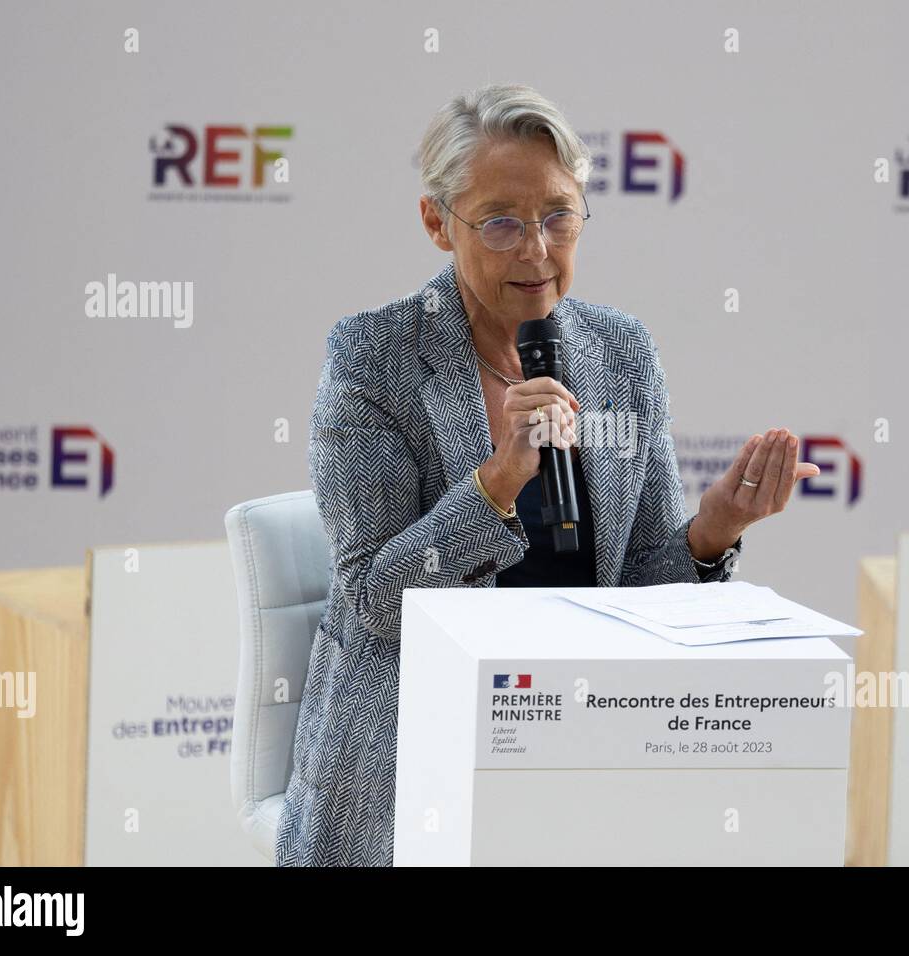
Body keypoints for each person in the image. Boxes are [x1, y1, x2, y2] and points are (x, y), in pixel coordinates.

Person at [275, 83, 819, 866]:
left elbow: (635, 589)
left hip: (578, 738)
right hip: (411, 749)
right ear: (437, 222)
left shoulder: (619, 352)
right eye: (500, 221)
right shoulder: (375, 357)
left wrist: (711, 530)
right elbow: (377, 603)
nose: (535, 250)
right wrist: (496, 483)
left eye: (558, 216)